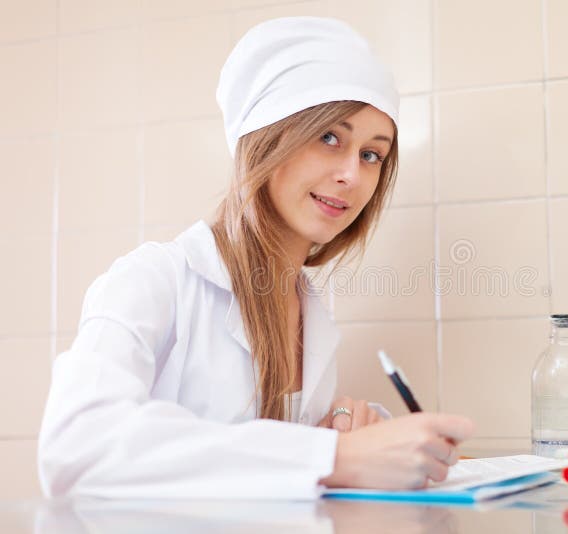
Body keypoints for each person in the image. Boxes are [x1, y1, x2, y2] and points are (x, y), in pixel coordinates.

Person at [37, 16, 474, 500]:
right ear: (267, 140)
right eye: (329, 137)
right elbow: (75, 446)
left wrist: (345, 434)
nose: (352, 174)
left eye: (372, 154)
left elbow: (267, 472)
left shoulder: (312, 314)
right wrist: (334, 457)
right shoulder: (155, 279)